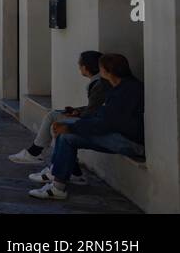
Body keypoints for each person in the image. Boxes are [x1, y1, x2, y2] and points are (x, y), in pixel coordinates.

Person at [29, 54, 144, 201]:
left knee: (67, 137)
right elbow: (103, 115)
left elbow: (106, 123)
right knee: (63, 131)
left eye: (101, 68)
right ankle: (64, 174)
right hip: (119, 134)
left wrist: (72, 128)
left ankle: (58, 185)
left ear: (108, 71)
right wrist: (77, 117)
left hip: (129, 142)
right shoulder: (120, 87)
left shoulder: (127, 91)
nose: (99, 72)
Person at [10, 51, 110, 167]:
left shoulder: (99, 84)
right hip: (94, 118)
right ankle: (69, 169)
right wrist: (77, 110)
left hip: (95, 122)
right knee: (54, 116)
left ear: (85, 67)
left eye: (79, 65)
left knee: (57, 123)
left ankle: (40, 156)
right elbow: (95, 106)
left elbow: (93, 111)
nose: (79, 68)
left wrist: (78, 114)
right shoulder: (97, 82)